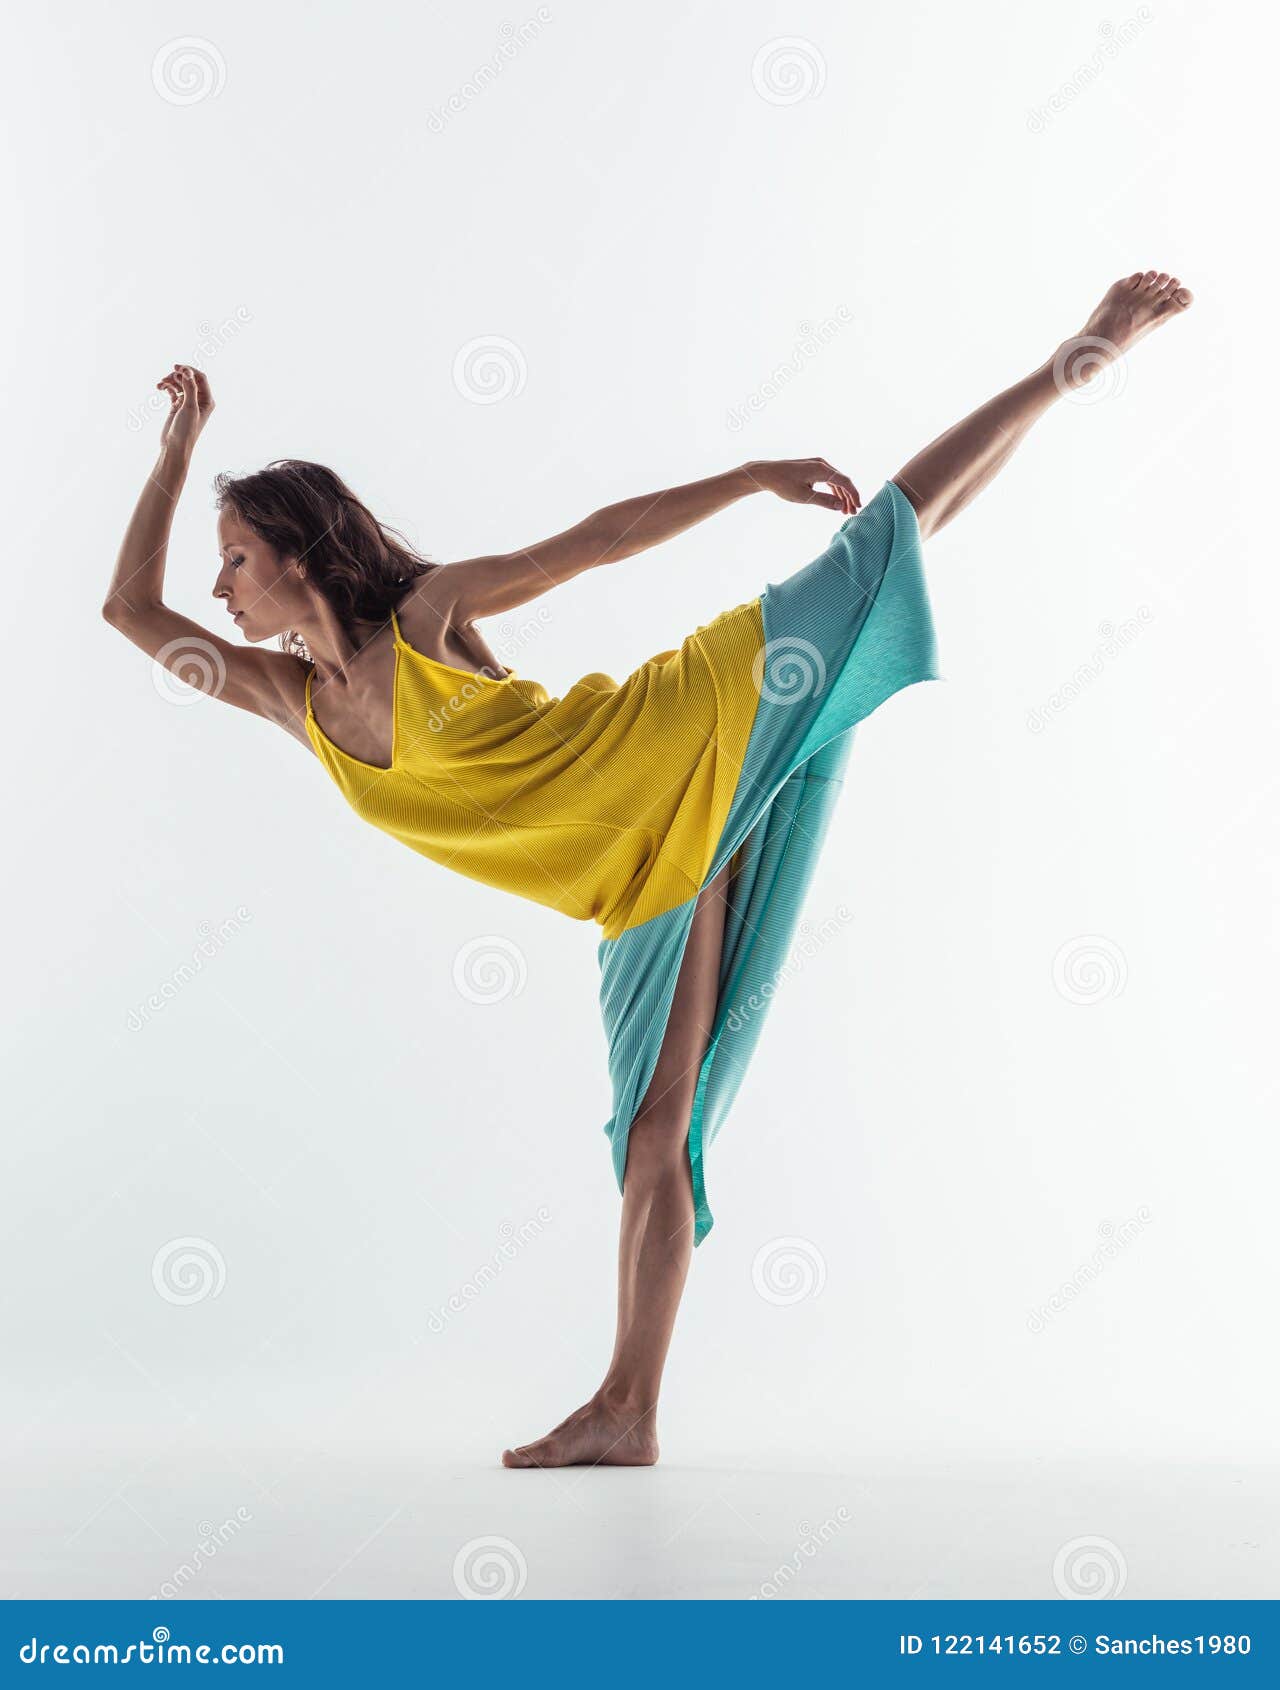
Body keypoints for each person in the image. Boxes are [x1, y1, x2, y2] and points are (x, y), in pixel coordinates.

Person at [104, 270, 1193, 1468]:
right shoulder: (286, 700)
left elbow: (587, 547)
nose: (219, 588)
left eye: (237, 558)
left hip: (680, 734)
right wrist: (176, 455)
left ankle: (1073, 357)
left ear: (297, 549)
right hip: (635, 889)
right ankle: (627, 1411)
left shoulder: (426, 617)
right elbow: (129, 608)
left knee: (877, 544)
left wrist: (745, 479)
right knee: (650, 1137)